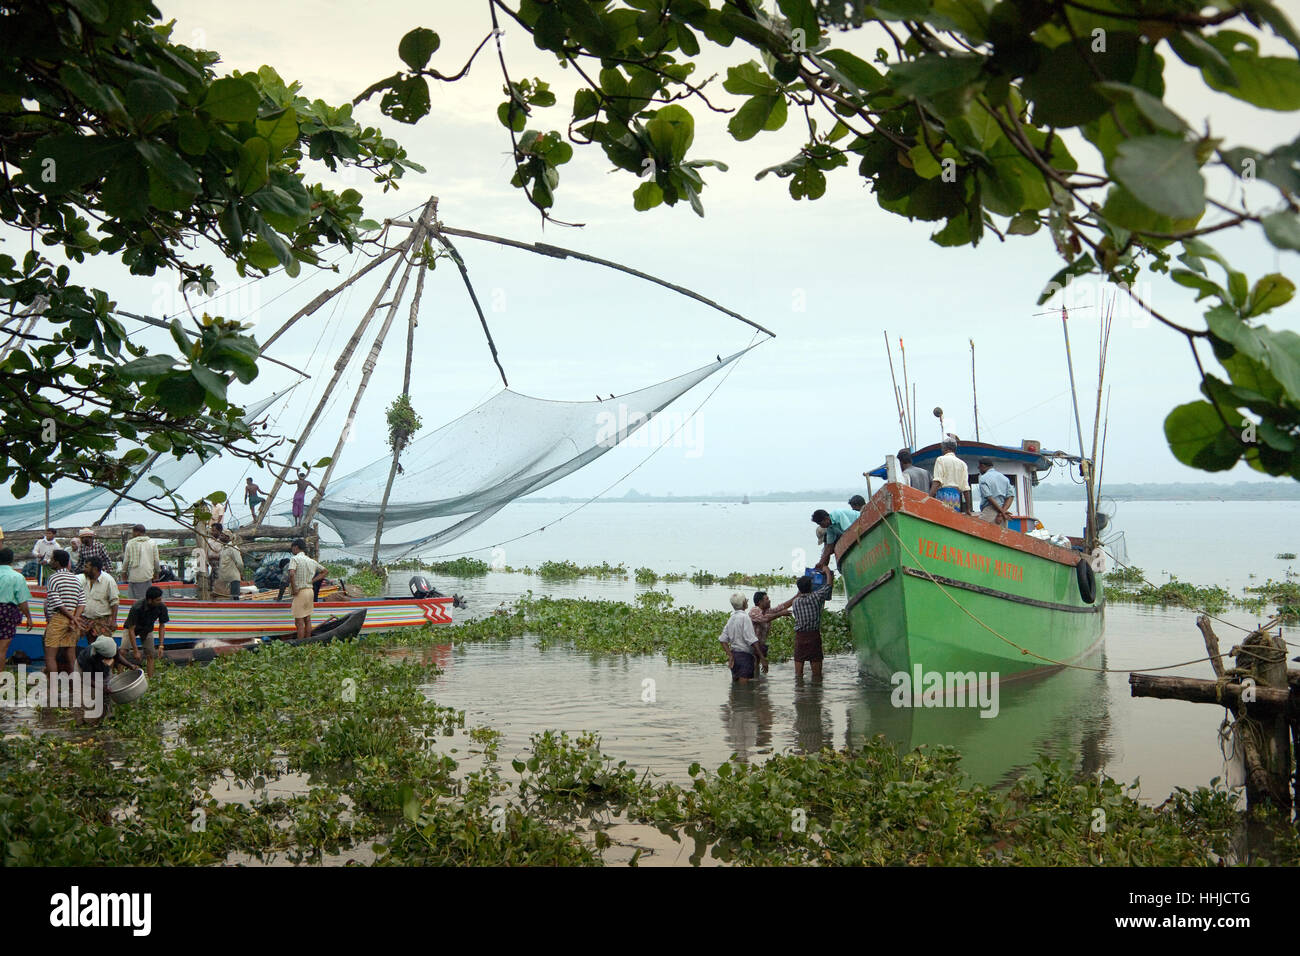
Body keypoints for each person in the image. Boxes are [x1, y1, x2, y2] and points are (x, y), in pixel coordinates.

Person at [43, 549, 85, 676]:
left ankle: (53, 688)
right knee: (71, 655)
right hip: (72, 620)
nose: (50, 561)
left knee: (50, 656)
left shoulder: (53, 578)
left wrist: (72, 617)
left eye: (52, 559)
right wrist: (75, 618)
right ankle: (75, 686)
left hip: (58, 618)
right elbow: (82, 602)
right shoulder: (75, 579)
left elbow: (57, 602)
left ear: (57, 562)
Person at [789, 568, 834, 681]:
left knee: (798, 676)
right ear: (811, 586)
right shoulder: (816, 597)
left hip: (800, 638)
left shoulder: (795, 602)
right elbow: (828, 586)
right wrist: (828, 572)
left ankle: (799, 695)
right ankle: (815, 695)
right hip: (813, 636)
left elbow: (800, 594)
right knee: (817, 676)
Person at [76, 634, 129, 723]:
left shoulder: (111, 646)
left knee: (107, 692)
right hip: (85, 672)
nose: (110, 659)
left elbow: (117, 657)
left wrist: (130, 665)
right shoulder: (88, 657)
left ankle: (106, 716)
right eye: (108, 657)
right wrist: (102, 687)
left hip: (101, 668)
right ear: (100, 655)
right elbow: (87, 679)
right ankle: (84, 720)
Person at [123, 586, 169, 679]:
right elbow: (131, 629)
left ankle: (150, 679)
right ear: (149, 600)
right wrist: (135, 651)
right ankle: (120, 676)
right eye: (157, 600)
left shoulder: (161, 607)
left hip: (147, 629)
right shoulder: (136, 607)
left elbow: (162, 625)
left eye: (160, 599)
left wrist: (161, 645)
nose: (160, 601)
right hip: (132, 628)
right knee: (123, 652)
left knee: (150, 654)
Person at [0, 547, 34, 666]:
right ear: (12, 560)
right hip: (7, 612)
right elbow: (22, 602)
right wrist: (29, 617)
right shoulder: (17, 577)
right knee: (2, 649)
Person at [719, 593, 764, 683]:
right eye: (746, 600)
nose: (747, 601)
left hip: (735, 656)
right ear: (744, 603)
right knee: (744, 691)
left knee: (736, 688)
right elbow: (752, 640)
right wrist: (762, 657)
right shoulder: (745, 617)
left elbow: (722, 639)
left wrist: (730, 655)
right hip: (744, 657)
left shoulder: (732, 618)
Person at [288, 538, 326, 641]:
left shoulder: (294, 559)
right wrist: (312, 581)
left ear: (296, 547)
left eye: (293, 548)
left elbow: (291, 573)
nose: (292, 551)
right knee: (308, 620)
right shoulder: (311, 561)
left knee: (299, 622)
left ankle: (300, 644)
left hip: (300, 592)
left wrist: (294, 588)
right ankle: (308, 641)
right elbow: (325, 571)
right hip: (310, 591)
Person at [749, 590, 793, 673]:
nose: (769, 600)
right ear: (760, 602)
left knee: (756, 669)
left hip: (759, 646)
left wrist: (797, 595)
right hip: (751, 647)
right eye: (767, 599)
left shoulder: (767, 611)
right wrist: (780, 614)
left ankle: (756, 683)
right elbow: (764, 619)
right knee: (752, 667)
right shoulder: (754, 611)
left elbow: (782, 606)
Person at [78, 556, 119, 643]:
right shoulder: (83, 579)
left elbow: (114, 602)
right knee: (90, 644)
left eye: (86, 567)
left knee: (105, 647)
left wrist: (113, 621)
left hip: (102, 620)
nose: (84, 569)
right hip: (85, 619)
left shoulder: (108, 580)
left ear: (95, 569)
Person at [811, 506, 859, 573]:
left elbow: (849, 531)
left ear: (826, 519)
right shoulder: (830, 528)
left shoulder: (837, 514)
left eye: (821, 524)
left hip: (860, 522)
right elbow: (829, 546)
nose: (821, 526)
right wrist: (821, 562)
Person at [929, 440, 971, 514]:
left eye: (942, 448)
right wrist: (968, 509)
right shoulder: (962, 464)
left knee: (941, 518)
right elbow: (966, 488)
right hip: (956, 497)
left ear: (945, 448)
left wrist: (929, 498)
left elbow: (937, 481)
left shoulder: (940, 459)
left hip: (943, 495)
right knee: (953, 519)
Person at [120, 524, 159, 601]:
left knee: (133, 600)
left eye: (133, 532)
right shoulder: (152, 543)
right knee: (146, 599)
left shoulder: (130, 543)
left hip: (133, 577)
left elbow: (126, 561)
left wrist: (124, 573)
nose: (132, 534)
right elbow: (156, 560)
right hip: (147, 576)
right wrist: (156, 573)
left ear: (137, 533)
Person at [976, 457, 1015, 525]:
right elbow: (1011, 496)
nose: (979, 469)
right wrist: (1002, 512)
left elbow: (989, 497)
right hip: (1003, 512)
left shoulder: (983, 478)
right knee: (1002, 534)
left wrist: (1002, 512)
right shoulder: (1004, 478)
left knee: (981, 531)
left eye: (979, 467)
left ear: (983, 466)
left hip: (990, 511)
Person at [217, 534, 245, 600]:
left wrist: (240, 573)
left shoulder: (233, 548)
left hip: (233, 579)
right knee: (225, 598)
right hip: (224, 579)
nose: (219, 537)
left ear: (227, 537)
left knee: (234, 598)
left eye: (222, 535)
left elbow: (240, 563)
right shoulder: (223, 548)